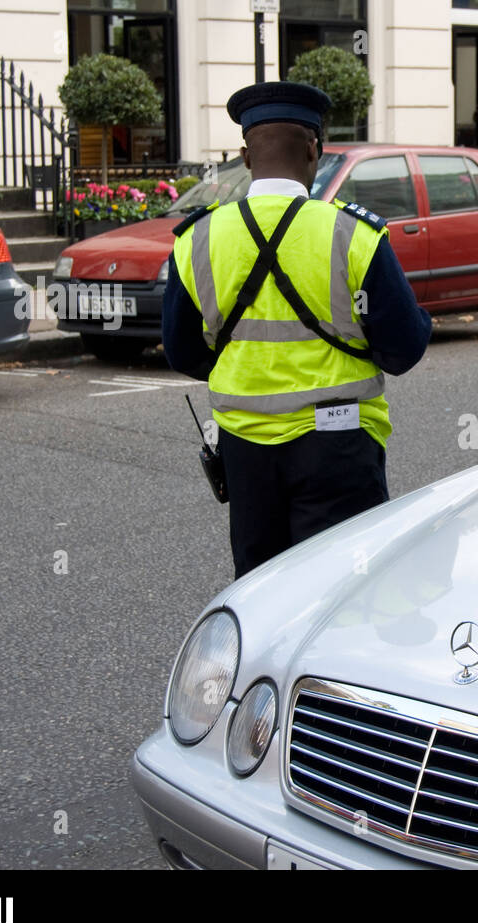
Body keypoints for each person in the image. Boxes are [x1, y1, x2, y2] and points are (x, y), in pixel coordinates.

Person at [161, 81, 431, 579]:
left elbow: (181, 353)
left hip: (245, 452)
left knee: (261, 591)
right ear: (315, 150)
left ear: (245, 156)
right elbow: (403, 350)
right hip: (342, 445)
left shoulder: (198, 239)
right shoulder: (353, 234)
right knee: (341, 595)